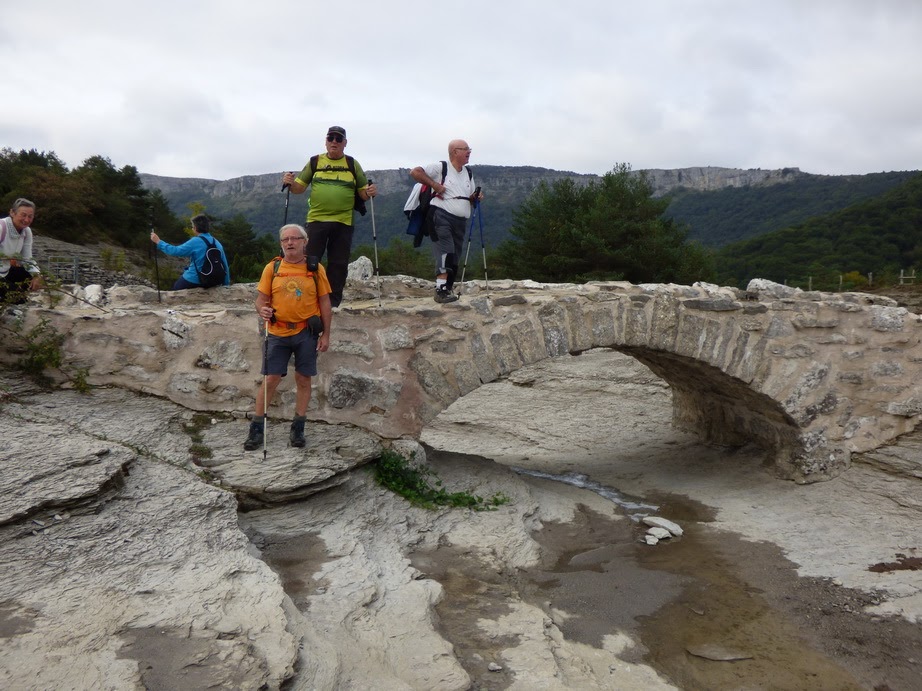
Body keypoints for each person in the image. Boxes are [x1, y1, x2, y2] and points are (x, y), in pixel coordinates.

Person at [244, 223, 332, 450]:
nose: (290, 243)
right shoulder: (272, 268)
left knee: (303, 379)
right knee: (271, 379)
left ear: (305, 242)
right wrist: (261, 310)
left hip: (306, 332)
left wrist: (326, 335)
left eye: (295, 238)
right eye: (285, 240)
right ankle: (256, 429)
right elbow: (260, 300)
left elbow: (325, 302)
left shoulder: (315, 269)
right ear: (281, 244)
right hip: (277, 332)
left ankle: (298, 429)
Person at [281, 125, 377, 308]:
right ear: (325, 141)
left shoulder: (352, 164)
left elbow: (364, 193)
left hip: (344, 221)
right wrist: (289, 183)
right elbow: (299, 188)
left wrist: (371, 191)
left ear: (345, 143)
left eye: (338, 139)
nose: (334, 142)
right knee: (310, 260)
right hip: (317, 219)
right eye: (330, 138)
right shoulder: (315, 162)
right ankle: (307, 299)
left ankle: (332, 303)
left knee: (338, 264)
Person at [410, 139, 481, 303]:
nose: (469, 152)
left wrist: (475, 198)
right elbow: (415, 172)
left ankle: (447, 288)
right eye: (465, 149)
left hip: (460, 220)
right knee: (446, 250)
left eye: (469, 149)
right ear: (455, 152)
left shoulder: (468, 172)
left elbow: (469, 197)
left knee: (455, 255)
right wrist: (435, 184)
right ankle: (440, 290)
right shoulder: (440, 167)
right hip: (440, 215)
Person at [150, 214, 230, 290]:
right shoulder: (217, 242)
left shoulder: (195, 241)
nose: (192, 229)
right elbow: (224, 264)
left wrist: (159, 242)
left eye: (192, 227)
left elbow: (175, 251)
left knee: (176, 289)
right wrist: (226, 284)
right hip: (213, 281)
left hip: (194, 279)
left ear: (195, 228)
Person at [0, 198, 44, 304]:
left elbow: (27, 258)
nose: (27, 220)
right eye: (23, 215)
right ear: (12, 213)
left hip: (5, 271)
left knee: (28, 276)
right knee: (17, 298)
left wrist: (37, 275)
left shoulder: (26, 232)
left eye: (30, 216)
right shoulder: (2, 227)